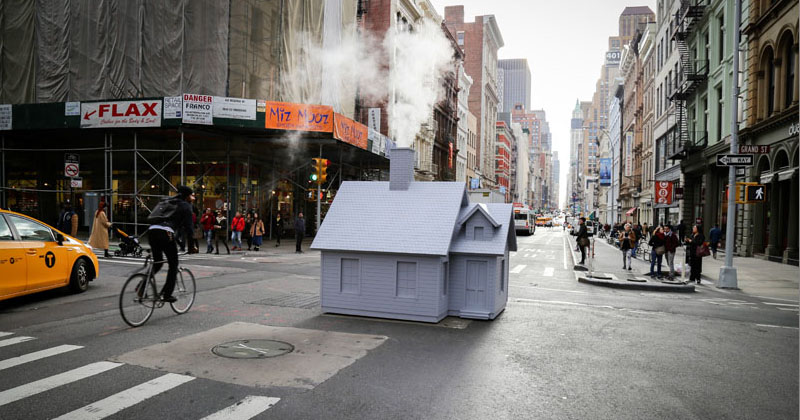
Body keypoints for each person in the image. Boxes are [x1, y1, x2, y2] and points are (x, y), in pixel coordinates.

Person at [148, 186, 194, 302]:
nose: (193, 198)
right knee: (173, 264)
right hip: (166, 232)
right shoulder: (186, 206)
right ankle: (167, 294)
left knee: (158, 263)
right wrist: (191, 246)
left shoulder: (167, 201)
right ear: (187, 196)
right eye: (192, 195)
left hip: (152, 231)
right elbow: (189, 229)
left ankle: (142, 286)